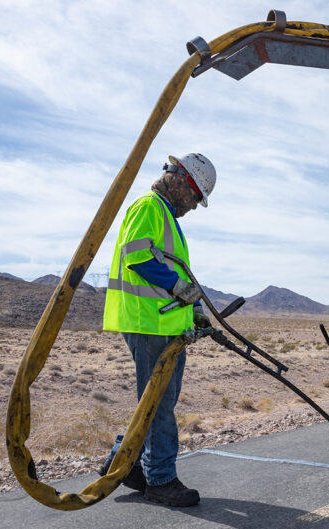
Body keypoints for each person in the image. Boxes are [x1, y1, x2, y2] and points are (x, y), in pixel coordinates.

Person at [99, 153, 217, 507]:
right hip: (149, 323)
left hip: (164, 323)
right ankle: (161, 480)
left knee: (153, 402)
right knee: (159, 405)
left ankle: (126, 463)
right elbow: (137, 257)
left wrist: (194, 308)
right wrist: (177, 288)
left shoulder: (166, 215)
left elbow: (175, 269)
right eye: (196, 197)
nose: (194, 206)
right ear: (181, 179)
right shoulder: (149, 206)